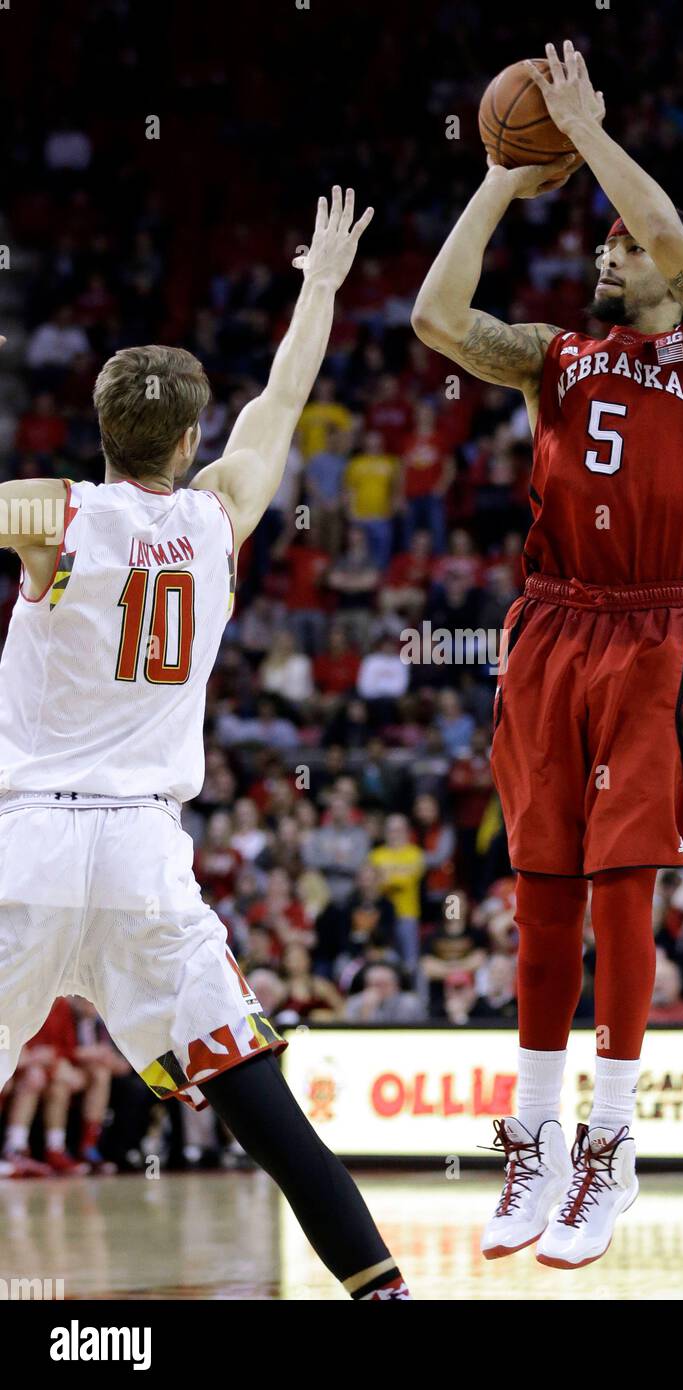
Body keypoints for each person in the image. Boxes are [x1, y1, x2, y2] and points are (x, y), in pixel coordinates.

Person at [412, 41, 683, 1270]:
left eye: (621, 244)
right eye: (601, 239)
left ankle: (610, 1145)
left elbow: (673, 238)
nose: (607, 249)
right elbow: (434, 317)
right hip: (550, 623)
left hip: (651, 626)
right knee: (541, 888)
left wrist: (590, 136)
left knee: (625, 886)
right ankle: (530, 1138)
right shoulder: (555, 361)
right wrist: (499, 176)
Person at [0, 190, 411, 1300]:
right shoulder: (218, 513)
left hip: (27, 850)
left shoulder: (56, 517)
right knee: (264, 1108)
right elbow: (283, 397)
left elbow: (26, 516)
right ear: (191, 439)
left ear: (98, 429)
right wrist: (318, 283)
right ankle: (384, 1296)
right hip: (143, 859)